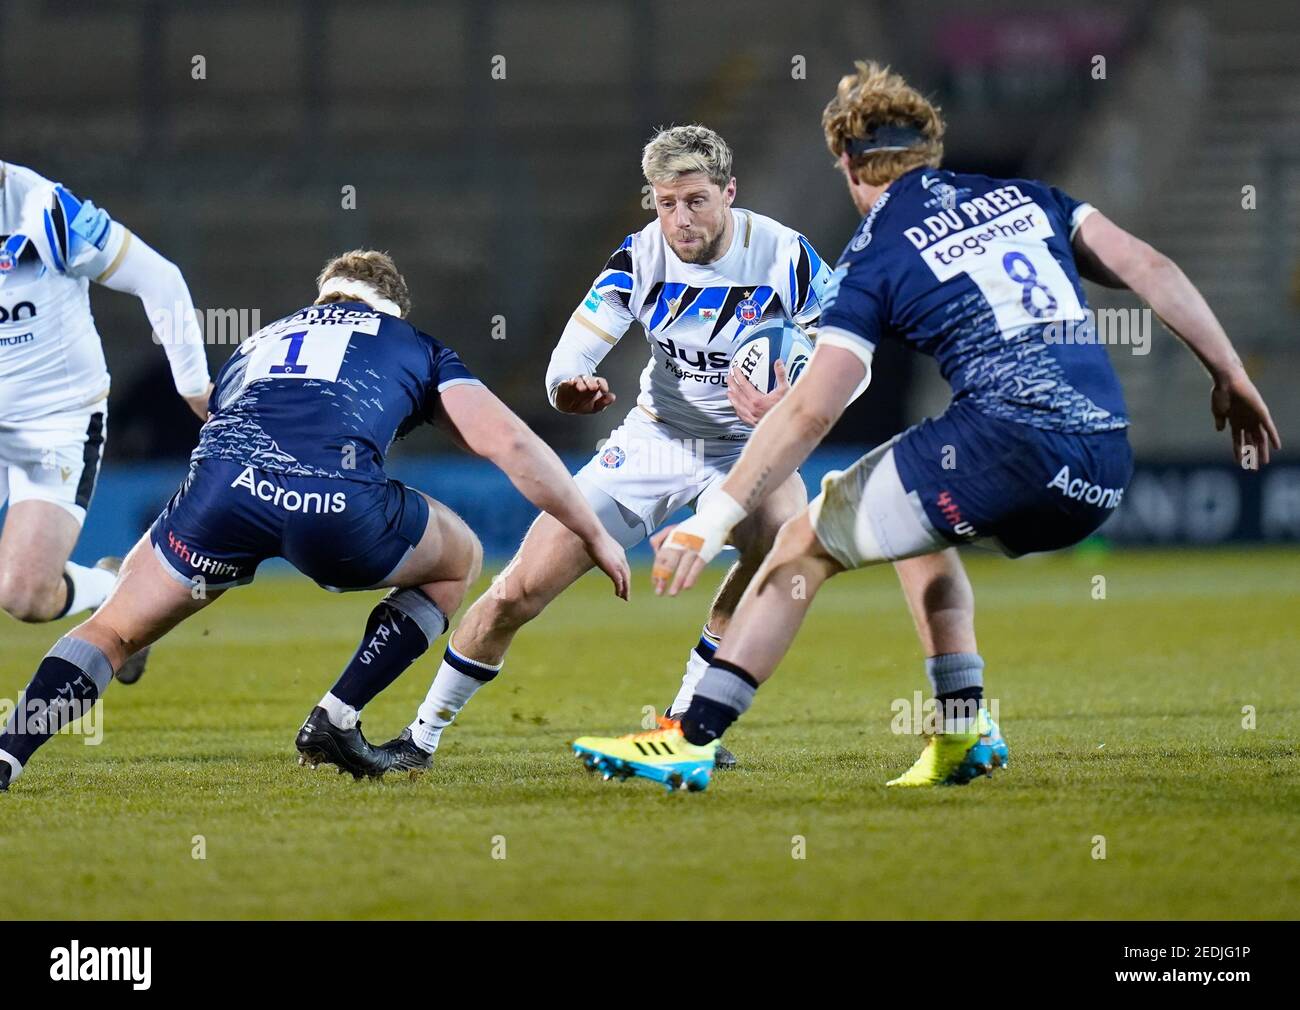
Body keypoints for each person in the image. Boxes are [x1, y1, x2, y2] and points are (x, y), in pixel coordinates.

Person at [571, 61, 1280, 792]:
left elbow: (813, 408)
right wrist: (1229, 373)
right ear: (928, 149)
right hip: (1103, 462)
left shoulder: (875, 255)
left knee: (802, 547)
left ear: (848, 162)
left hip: (1004, 445)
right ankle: (963, 730)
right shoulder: (1029, 198)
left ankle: (689, 738)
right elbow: (1151, 265)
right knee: (915, 529)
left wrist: (713, 518)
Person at [0, 250, 629, 791]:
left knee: (113, 630)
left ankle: (9, 753)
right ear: (392, 307)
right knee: (458, 556)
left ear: (323, 295)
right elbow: (510, 446)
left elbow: (222, 428)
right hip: (334, 509)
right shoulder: (412, 345)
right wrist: (593, 531)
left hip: (222, 497)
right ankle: (338, 714)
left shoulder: (258, 340)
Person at [369, 125, 837, 774]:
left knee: (781, 549)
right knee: (516, 593)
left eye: (696, 200)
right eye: (666, 203)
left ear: (730, 192)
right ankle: (418, 741)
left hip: (747, 447)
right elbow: (571, 356)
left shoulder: (789, 257)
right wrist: (569, 389)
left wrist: (792, 402)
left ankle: (687, 725)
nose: (680, 219)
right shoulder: (640, 255)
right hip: (654, 441)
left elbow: (843, 361)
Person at [0, 161, 212, 684]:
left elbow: (160, 280)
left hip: (54, 418)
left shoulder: (45, 211)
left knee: (24, 596)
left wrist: (194, 388)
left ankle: (112, 588)